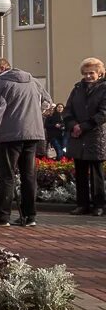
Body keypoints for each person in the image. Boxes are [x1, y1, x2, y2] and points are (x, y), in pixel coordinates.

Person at [0, 57, 51, 227]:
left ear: (2, 68)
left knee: (6, 175)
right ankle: (29, 216)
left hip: (9, 134)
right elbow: (47, 102)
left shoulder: (0, 84)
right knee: (29, 175)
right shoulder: (33, 81)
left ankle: (1, 216)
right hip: (33, 133)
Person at [63, 58, 106, 216]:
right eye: (85, 73)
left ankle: (99, 205)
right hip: (77, 136)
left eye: (91, 73)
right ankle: (82, 204)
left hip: (95, 135)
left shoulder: (104, 89)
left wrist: (83, 126)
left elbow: (103, 113)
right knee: (80, 172)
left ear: (99, 73)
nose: (88, 76)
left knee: (96, 173)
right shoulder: (77, 89)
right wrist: (73, 125)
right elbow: (67, 110)